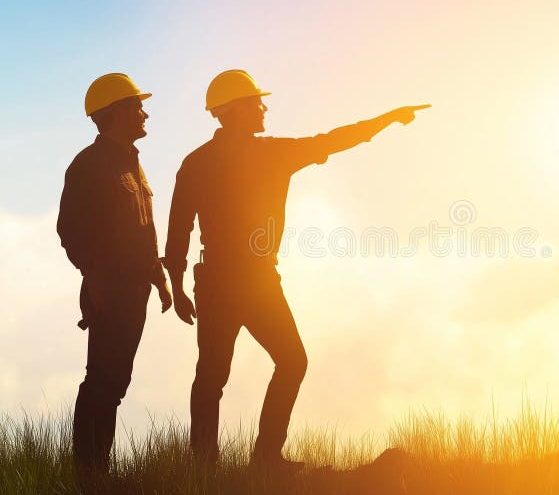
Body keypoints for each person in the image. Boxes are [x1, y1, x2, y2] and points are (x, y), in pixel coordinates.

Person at [162, 69, 429, 473]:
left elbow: (178, 231)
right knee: (285, 362)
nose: (264, 107)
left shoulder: (197, 163)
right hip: (252, 282)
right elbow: (334, 141)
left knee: (214, 376)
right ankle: (264, 458)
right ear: (235, 110)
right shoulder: (272, 154)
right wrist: (388, 119)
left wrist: (179, 287)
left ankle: (208, 465)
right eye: (256, 102)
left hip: (219, 283)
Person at [57, 73, 173, 473]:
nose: (145, 113)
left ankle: (95, 471)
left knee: (114, 384)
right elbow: (70, 230)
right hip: (111, 294)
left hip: (134, 292)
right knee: (102, 383)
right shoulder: (89, 165)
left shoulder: (132, 163)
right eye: (137, 106)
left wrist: (159, 280)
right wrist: (97, 280)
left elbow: (144, 233)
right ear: (116, 113)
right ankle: (90, 474)